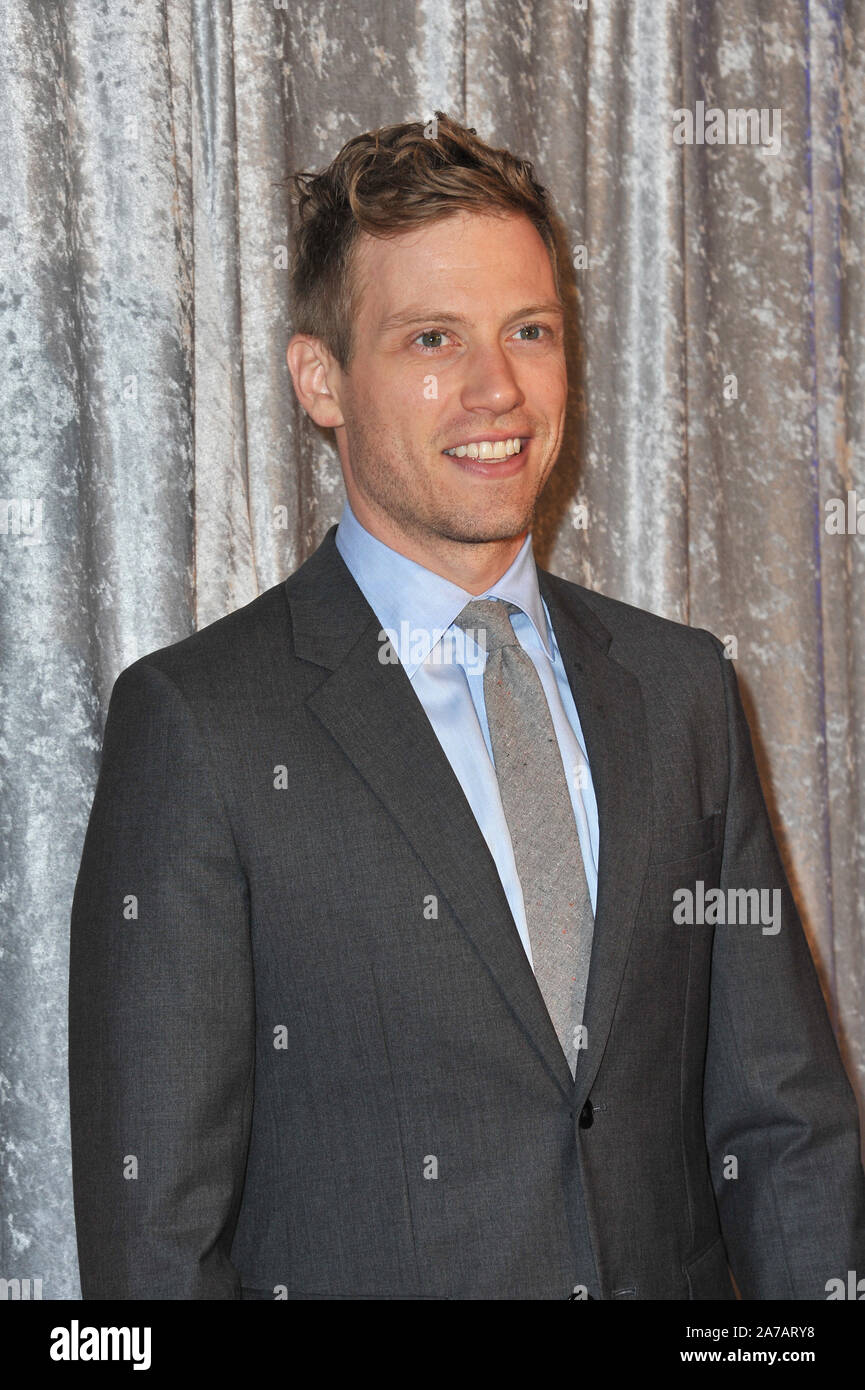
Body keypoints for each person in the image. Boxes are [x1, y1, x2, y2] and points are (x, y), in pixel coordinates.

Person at [68, 112, 865, 1300]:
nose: (497, 389)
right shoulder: (200, 725)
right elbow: (155, 1247)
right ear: (320, 379)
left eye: (529, 331)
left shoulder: (681, 688)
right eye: (432, 338)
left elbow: (785, 1133)